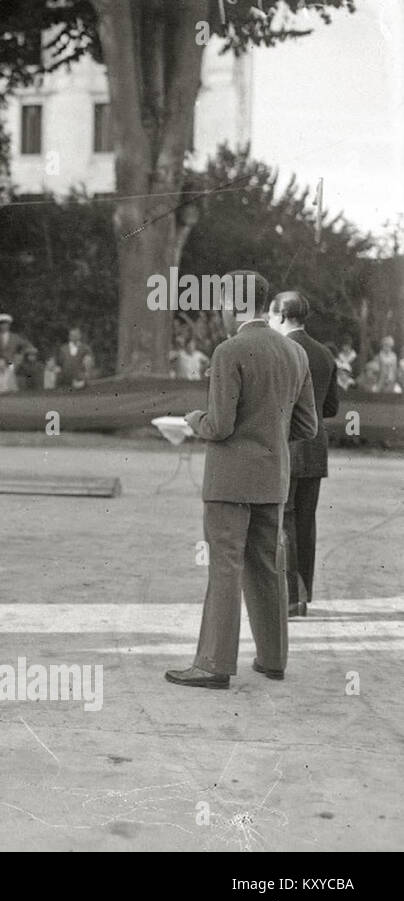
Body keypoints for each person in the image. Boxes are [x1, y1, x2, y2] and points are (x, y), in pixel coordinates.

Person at [167, 271, 318, 689]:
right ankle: (273, 659)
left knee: (225, 568)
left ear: (233, 303)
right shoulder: (295, 353)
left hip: (229, 481)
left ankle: (214, 664)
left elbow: (218, 425)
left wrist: (192, 419)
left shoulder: (228, 350)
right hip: (273, 479)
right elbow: (306, 426)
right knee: (268, 568)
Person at [269, 291, 339, 616]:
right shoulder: (325, 353)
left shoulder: (283, 350)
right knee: (306, 522)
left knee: (285, 520)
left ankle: (290, 597)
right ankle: (303, 595)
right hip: (316, 448)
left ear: (281, 316)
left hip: (290, 445)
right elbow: (331, 408)